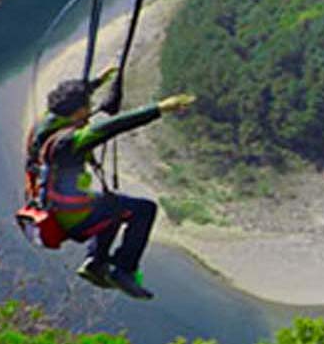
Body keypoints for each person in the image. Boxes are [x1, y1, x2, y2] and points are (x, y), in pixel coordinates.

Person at [23, 70, 195, 299]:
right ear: (78, 111)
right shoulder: (71, 141)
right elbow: (113, 126)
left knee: (111, 206)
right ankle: (124, 269)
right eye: (87, 107)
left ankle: (95, 263)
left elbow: (72, 99)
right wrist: (160, 108)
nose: (90, 111)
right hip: (73, 219)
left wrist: (97, 83)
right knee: (144, 209)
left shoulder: (46, 123)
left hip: (50, 206)